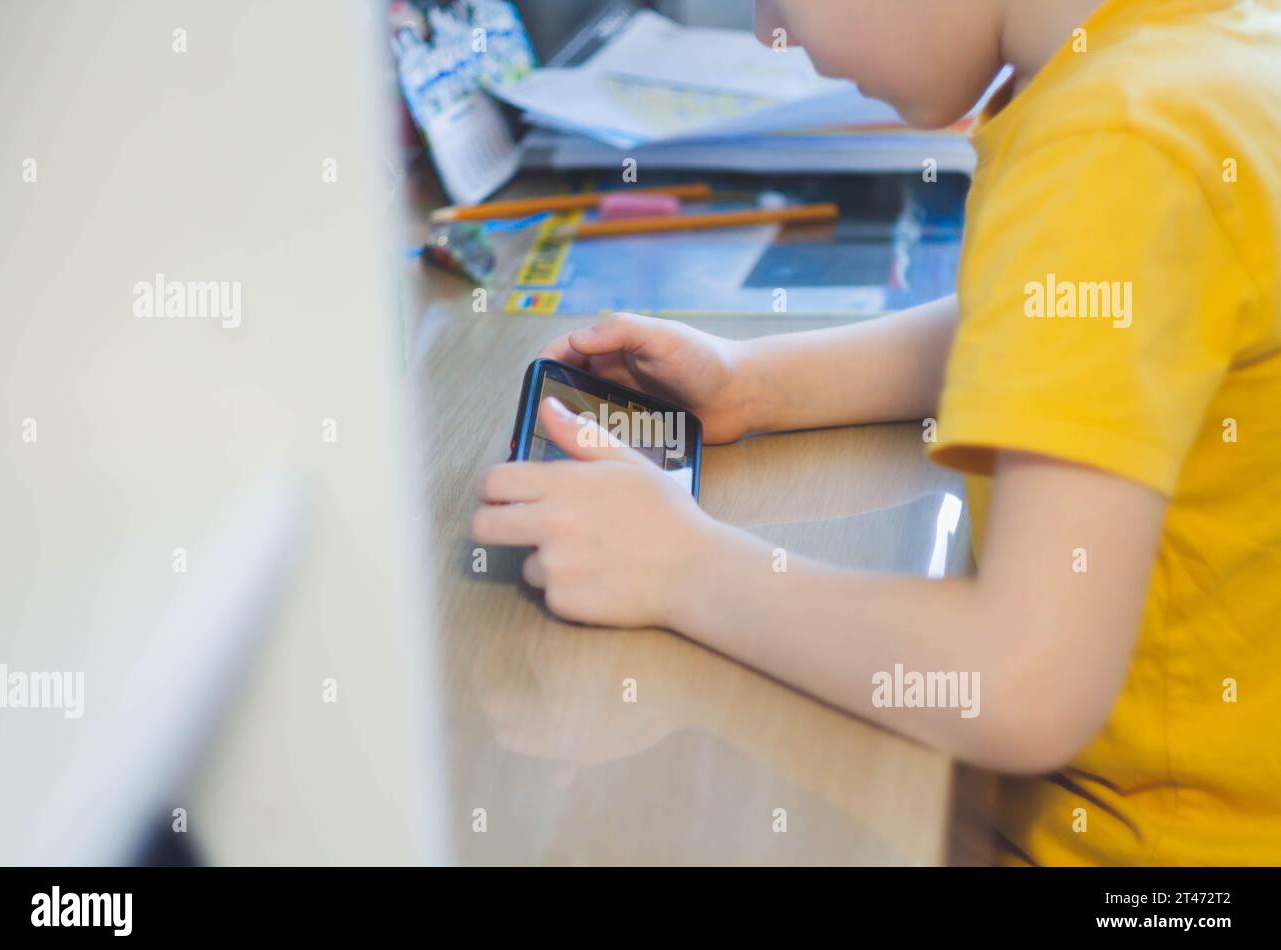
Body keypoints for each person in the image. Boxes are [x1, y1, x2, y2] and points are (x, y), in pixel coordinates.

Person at [471, 0, 1281, 865]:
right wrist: (761, 386)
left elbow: (1019, 682)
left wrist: (680, 566)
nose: (769, 33)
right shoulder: (1208, 53)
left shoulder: (1114, 144)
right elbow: (1063, 329)